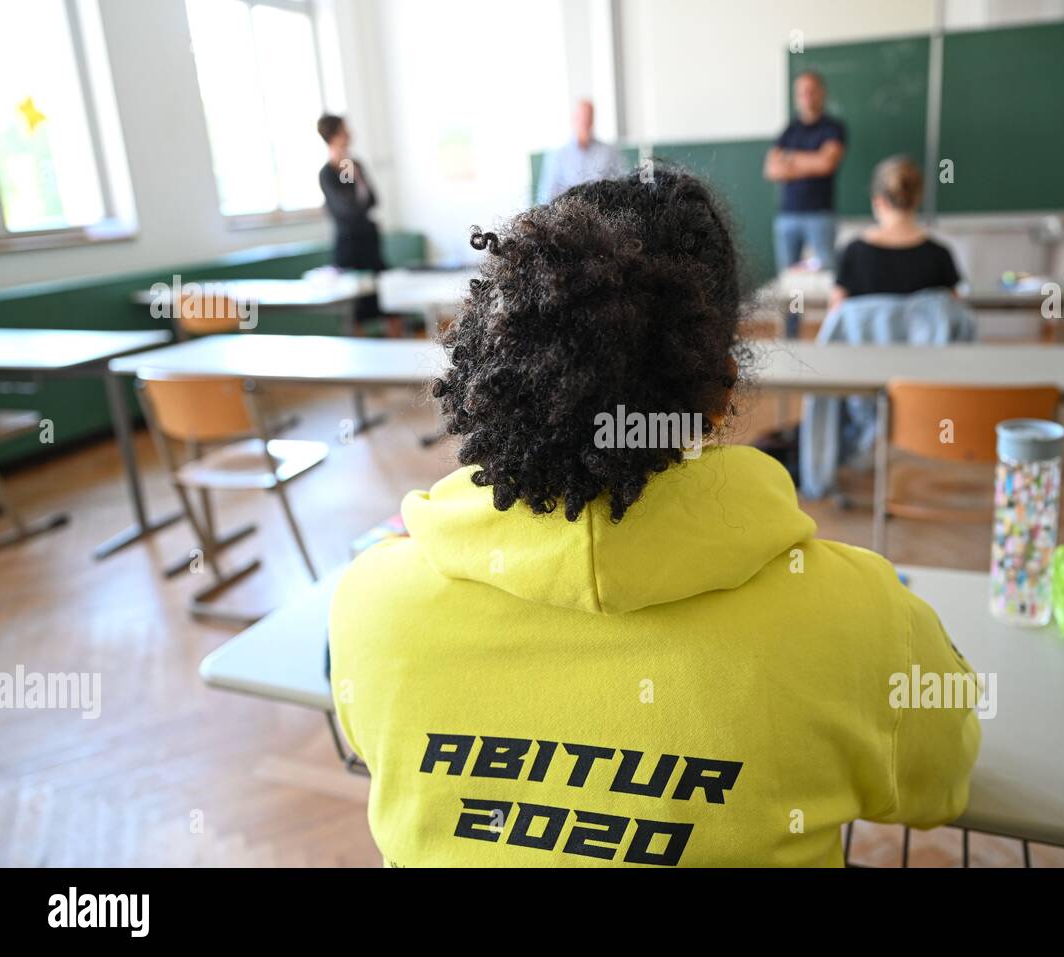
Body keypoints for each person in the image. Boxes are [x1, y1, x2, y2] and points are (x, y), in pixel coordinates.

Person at [328, 168, 979, 868]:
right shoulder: (864, 622)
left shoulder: (371, 609)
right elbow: (939, 783)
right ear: (724, 386)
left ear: (502, 362)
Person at [765, 70, 846, 337]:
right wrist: (810, 161)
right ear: (796, 97)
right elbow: (771, 170)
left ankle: (835, 332)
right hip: (788, 217)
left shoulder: (833, 128)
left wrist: (791, 160)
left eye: (812, 90)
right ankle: (790, 338)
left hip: (820, 216)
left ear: (822, 93)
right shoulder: (789, 130)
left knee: (831, 278)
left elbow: (827, 163)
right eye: (802, 92)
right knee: (790, 284)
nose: (807, 96)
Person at [830, 155, 962, 311]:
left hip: (867, 336)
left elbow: (836, 316)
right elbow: (953, 317)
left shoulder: (853, 253)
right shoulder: (939, 255)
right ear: (917, 199)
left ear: (879, 201)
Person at [317, 114, 388, 329]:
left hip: (368, 240)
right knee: (355, 308)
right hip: (349, 244)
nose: (350, 133)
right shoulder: (328, 172)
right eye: (344, 129)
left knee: (383, 298)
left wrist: (357, 201)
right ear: (335, 135)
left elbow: (371, 200)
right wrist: (357, 205)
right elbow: (348, 208)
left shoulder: (351, 164)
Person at [536, 99, 624, 203]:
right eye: (581, 118)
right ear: (573, 119)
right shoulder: (557, 156)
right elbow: (546, 196)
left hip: (602, 210)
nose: (585, 122)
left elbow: (621, 186)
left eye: (588, 118)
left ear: (593, 120)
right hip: (567, 213)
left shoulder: (608, 152)